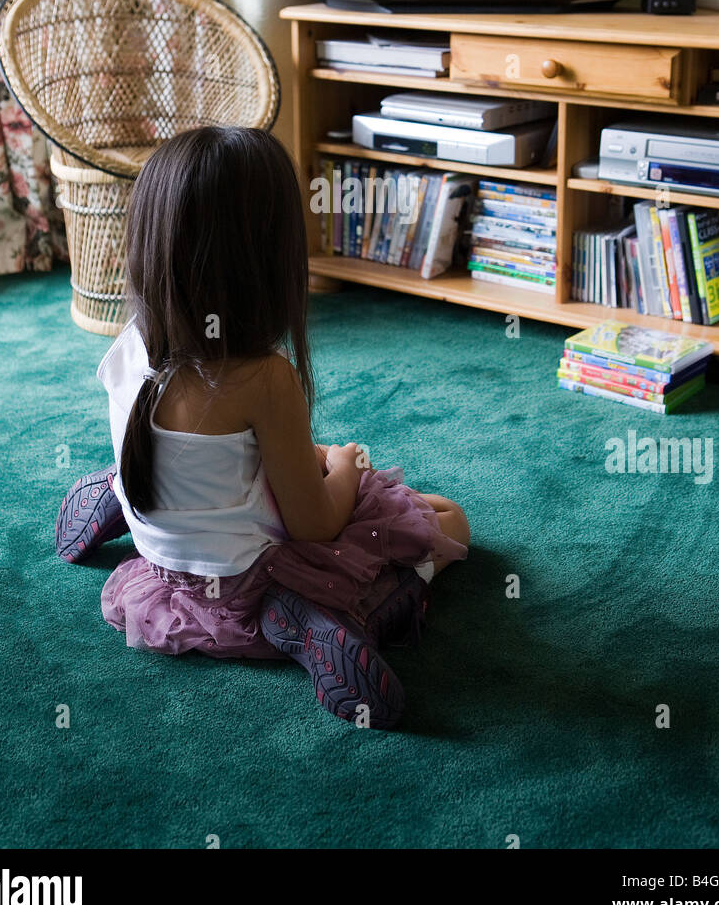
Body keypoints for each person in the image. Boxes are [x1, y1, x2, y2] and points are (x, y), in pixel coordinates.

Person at [60, 127, 469, 730]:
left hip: (165, 562)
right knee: (443, 518)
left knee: (196, 467)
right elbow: (315, 522)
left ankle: (122, 493)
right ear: (266, 261)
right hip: (248, 574)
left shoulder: (134, 342)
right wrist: (346, 465)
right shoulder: (263, 377)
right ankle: (332, 619)